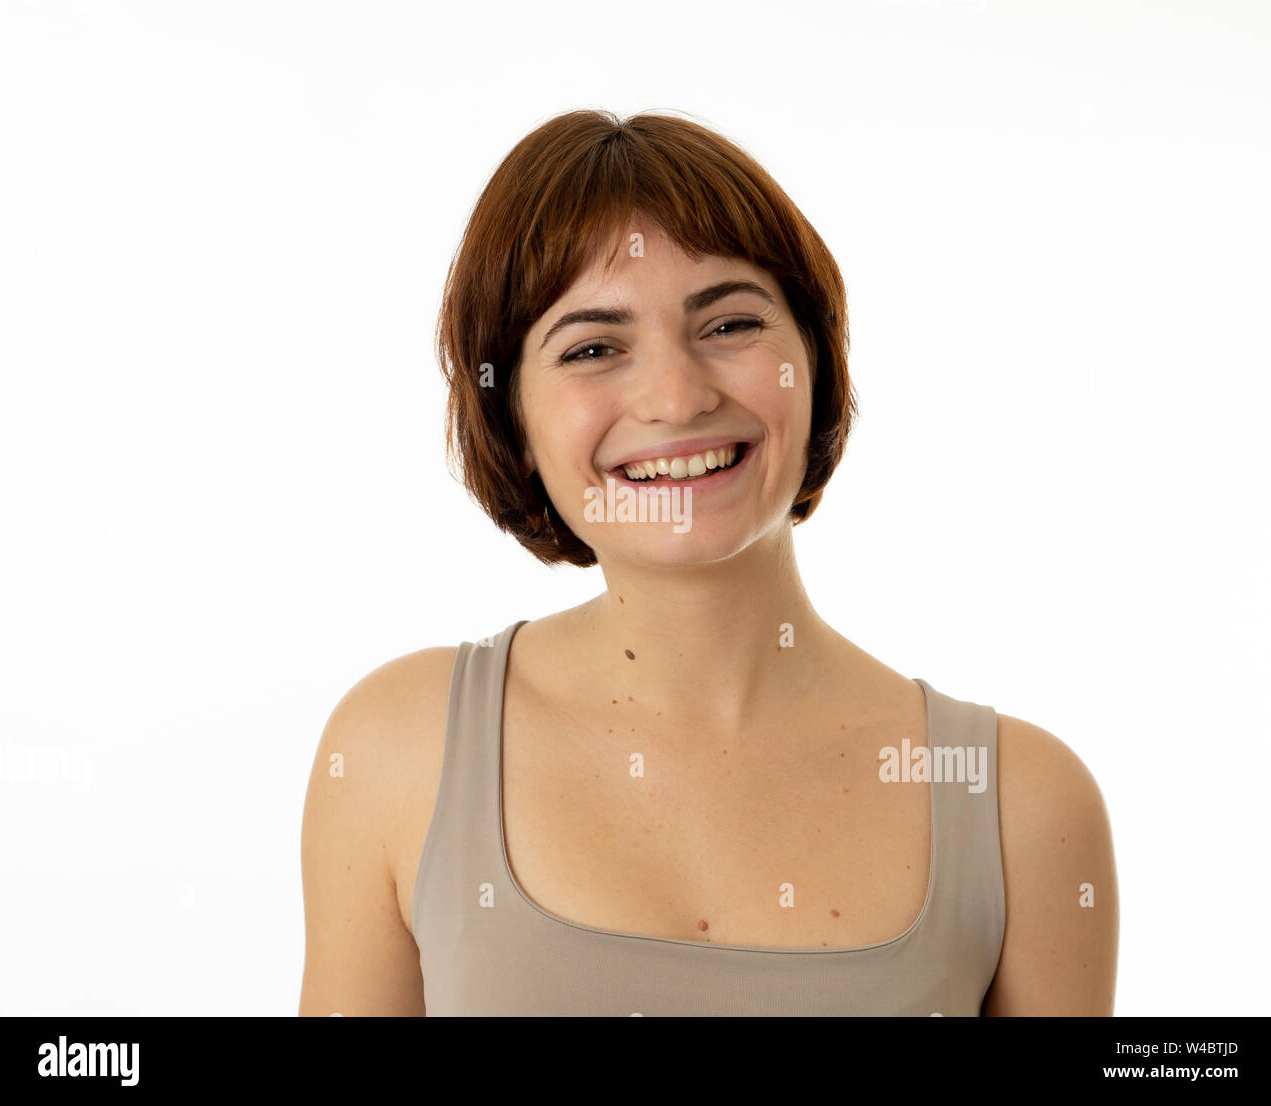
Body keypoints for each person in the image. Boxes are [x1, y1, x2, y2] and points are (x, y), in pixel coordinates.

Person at [298, 109, 1119, 1016]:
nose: (677, 396)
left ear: (815, 365)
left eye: (729, 324)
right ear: (514, 422)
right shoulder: (396, 751)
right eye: (593, 347)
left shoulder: (1022, 808)